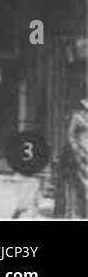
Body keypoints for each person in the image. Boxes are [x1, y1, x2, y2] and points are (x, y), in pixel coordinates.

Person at [55, 84, 88, 219]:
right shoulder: (76, 116)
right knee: (77, 183)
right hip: (77, 153)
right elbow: (70, 135)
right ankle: (73, 213)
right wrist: (77, 150)